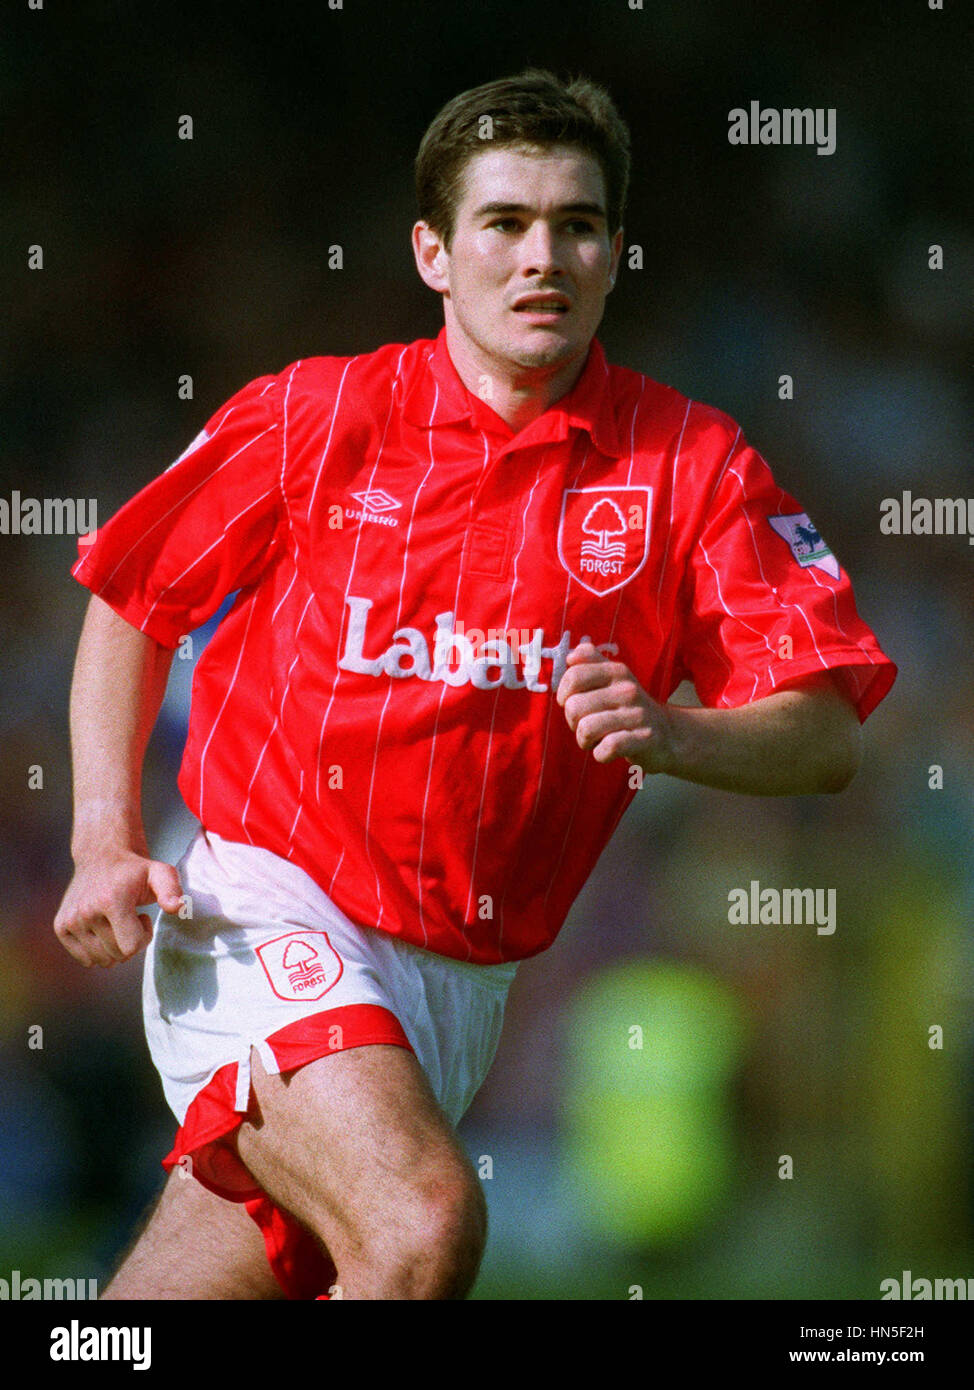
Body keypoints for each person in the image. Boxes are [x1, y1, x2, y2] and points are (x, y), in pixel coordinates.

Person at [54, 68, 896, 1300]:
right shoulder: (315, 413)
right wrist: (99, 835)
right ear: (433, 253)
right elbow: (132, 593)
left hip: (458, 986)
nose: (540, 255)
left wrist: (671, 733)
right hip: (270, 912)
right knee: (424, 1222)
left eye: (577, 223)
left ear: (614, 251)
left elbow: (823, 734)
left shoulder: (694, 468)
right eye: (502, 222)